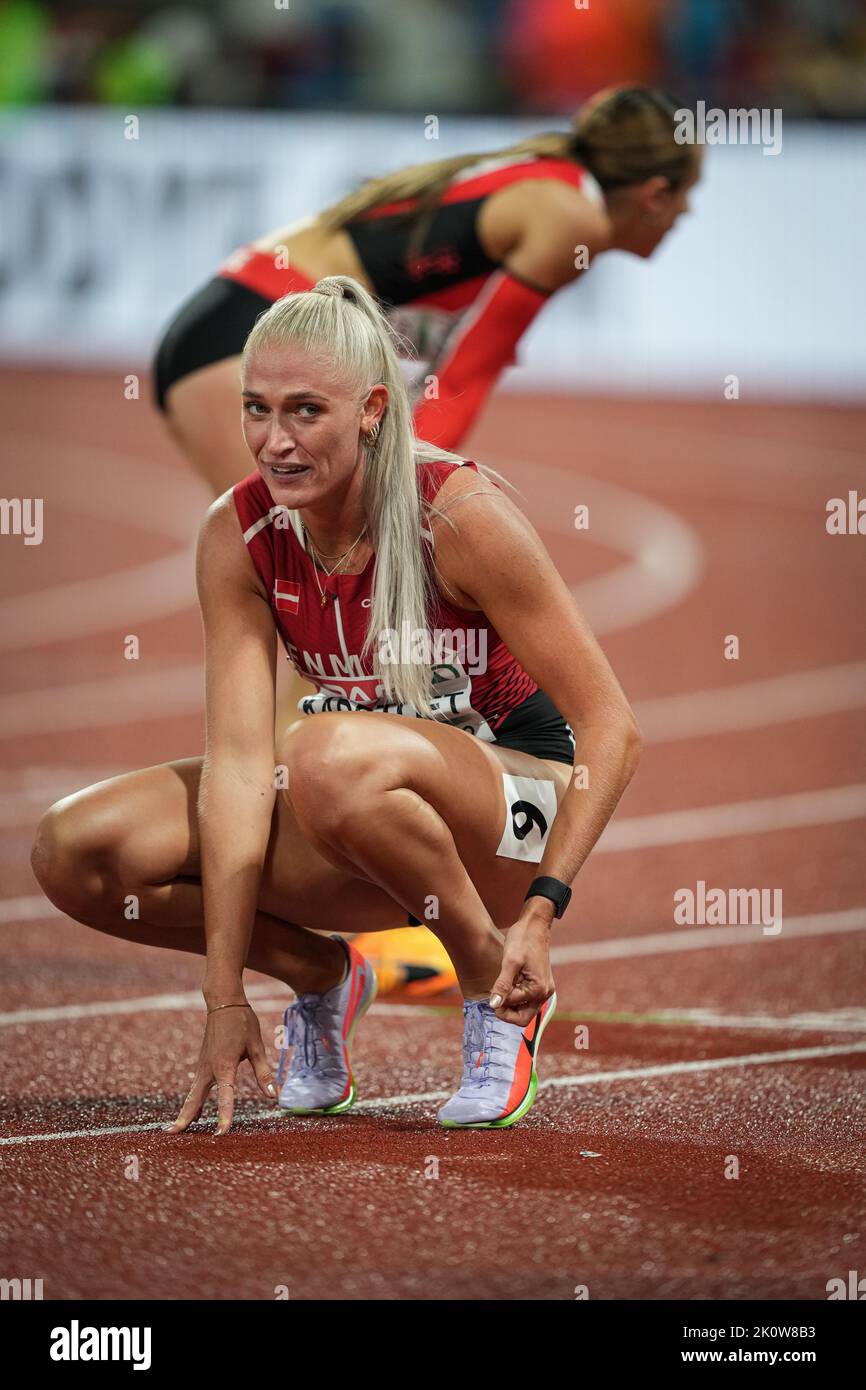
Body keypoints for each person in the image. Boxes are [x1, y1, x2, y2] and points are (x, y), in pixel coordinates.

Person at [32, 274, 641, 1131]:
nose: (272, 441)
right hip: (359, 812)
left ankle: (490, 984)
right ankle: (321, 973)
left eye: (305, 412)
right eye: (256, 409)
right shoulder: (238, 533)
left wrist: (541, 913)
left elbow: (613, 730)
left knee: (321, 753)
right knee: (77, 850)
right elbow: (242, 765)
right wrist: (224, 993)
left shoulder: (460, 516)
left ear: (372, 410)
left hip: (507, 820)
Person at [149, 84, 695, 994]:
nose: (679, 223)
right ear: (653, 191)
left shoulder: (542, 181)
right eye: (683, 203)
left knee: (332, 608)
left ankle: (346, 852)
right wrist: (418, 490)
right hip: (255, 338)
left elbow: (448, 357)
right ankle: (357, 892)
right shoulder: (567, 218)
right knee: (310, 593)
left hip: (225, 315)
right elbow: (467, 369)